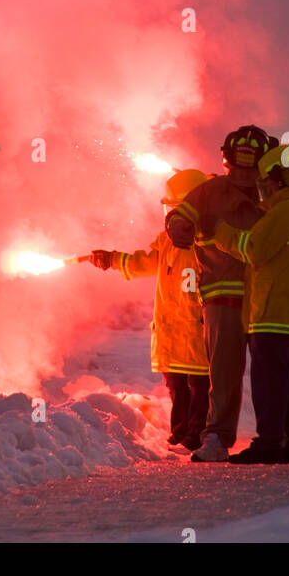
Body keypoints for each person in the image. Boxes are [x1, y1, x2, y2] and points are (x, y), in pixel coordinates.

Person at [211, 144, 289, 464]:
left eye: (266, 180)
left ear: (279, 179)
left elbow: (253, 249)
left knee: (270, 383)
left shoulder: (285, 211)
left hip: (272, 312)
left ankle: (269, 443)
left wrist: (218, 232)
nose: (262, 187)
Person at [165, 125, 276, 462]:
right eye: (239, 168)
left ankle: (275, 435)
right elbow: (179, 215)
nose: (245, 176)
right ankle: (216, 437)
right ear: (227, 161)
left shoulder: (275, 195)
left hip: (267, 299)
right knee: (222, 375)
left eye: (251, 168)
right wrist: (177, 227)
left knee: (271, 373)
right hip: (222, 300)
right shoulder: (207, 192)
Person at [90, 168, 210, 451]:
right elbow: (146, 262)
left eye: (176, 207)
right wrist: (114, 260)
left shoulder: (208, 240)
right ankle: (180, 432)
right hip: (170, 330)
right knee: (176, 386)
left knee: (199, 386)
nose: (171, 215)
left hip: (195, 327)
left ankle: (196, 434)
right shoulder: (166, 239)